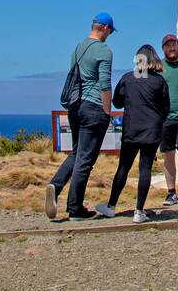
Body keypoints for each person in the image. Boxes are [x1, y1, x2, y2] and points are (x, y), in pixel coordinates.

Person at [46, 13, 115, 220]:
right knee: (85, 159)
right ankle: (75, 209)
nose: (109, 35)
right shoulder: (104, 50)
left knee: (76, 153)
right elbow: (104, 83)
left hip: (75, 107)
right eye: (110, 31)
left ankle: (55, 185)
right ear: (104, 28)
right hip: (94, 107)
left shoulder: (78, 48)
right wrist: (107, 111)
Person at [94, 44, 170, 223]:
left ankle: (111, 206)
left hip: (131, 129)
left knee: (123, 167)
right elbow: (166, 107)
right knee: (145, 168)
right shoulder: (159, 81)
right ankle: (139, 211)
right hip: (151, 130)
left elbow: (117, 102)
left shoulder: (128, 78)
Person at [159, 33, 178, 205]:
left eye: (174, 44)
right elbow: (142, 79)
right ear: (163, 48)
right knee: (168, 155)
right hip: (165, 118)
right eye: (168, 45)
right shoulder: (158, 66)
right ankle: (171, 192)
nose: (172, 47)